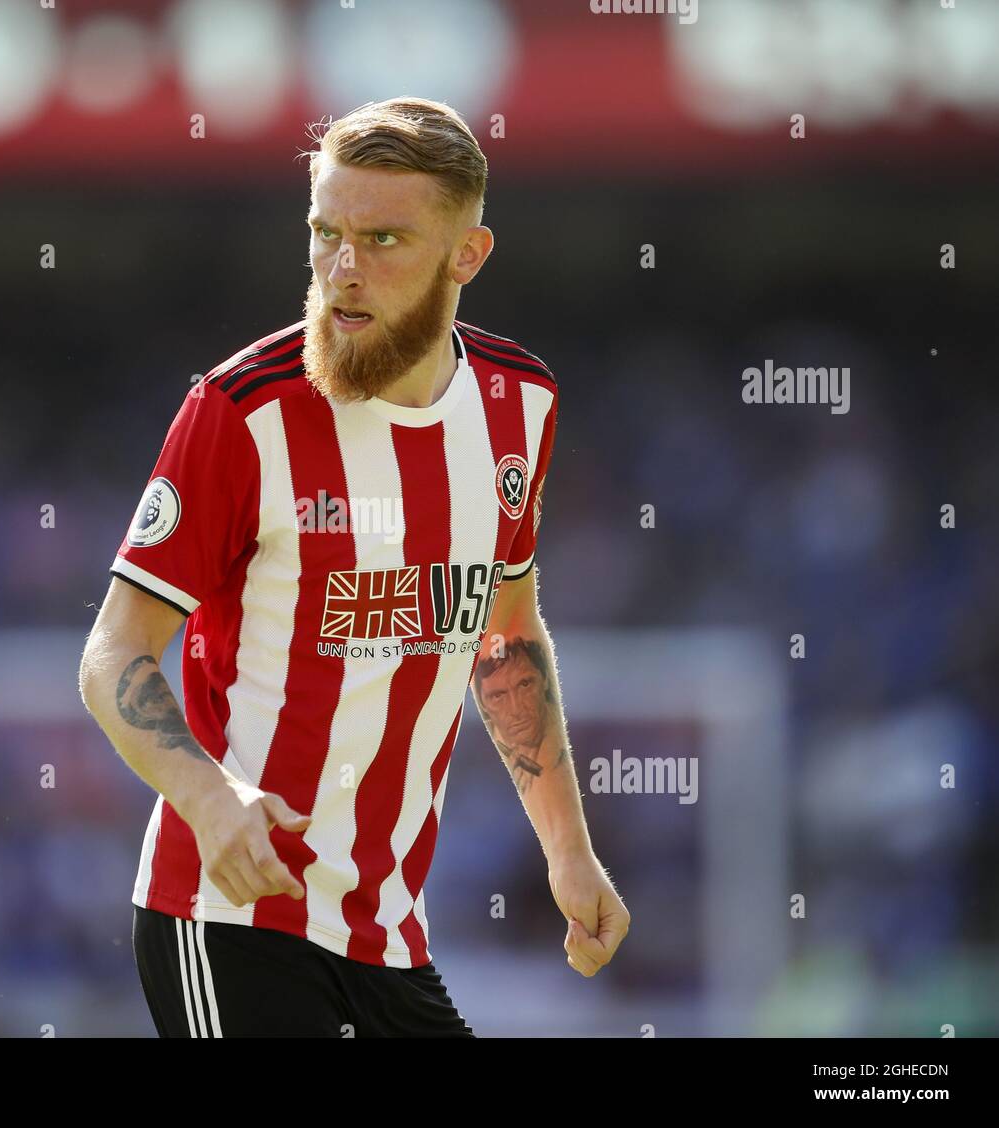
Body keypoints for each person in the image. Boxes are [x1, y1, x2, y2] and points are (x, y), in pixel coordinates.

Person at [78, 97, 629, 1037]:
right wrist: (212, 802)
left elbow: (502, 637)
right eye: (325, 232)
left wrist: (569, 852)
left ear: (467, 256)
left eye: (383, 239)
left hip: (386, 936)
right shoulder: (241, 411)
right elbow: (112, 655)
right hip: (227, 921)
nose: (343, 270)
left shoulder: (519, 407)